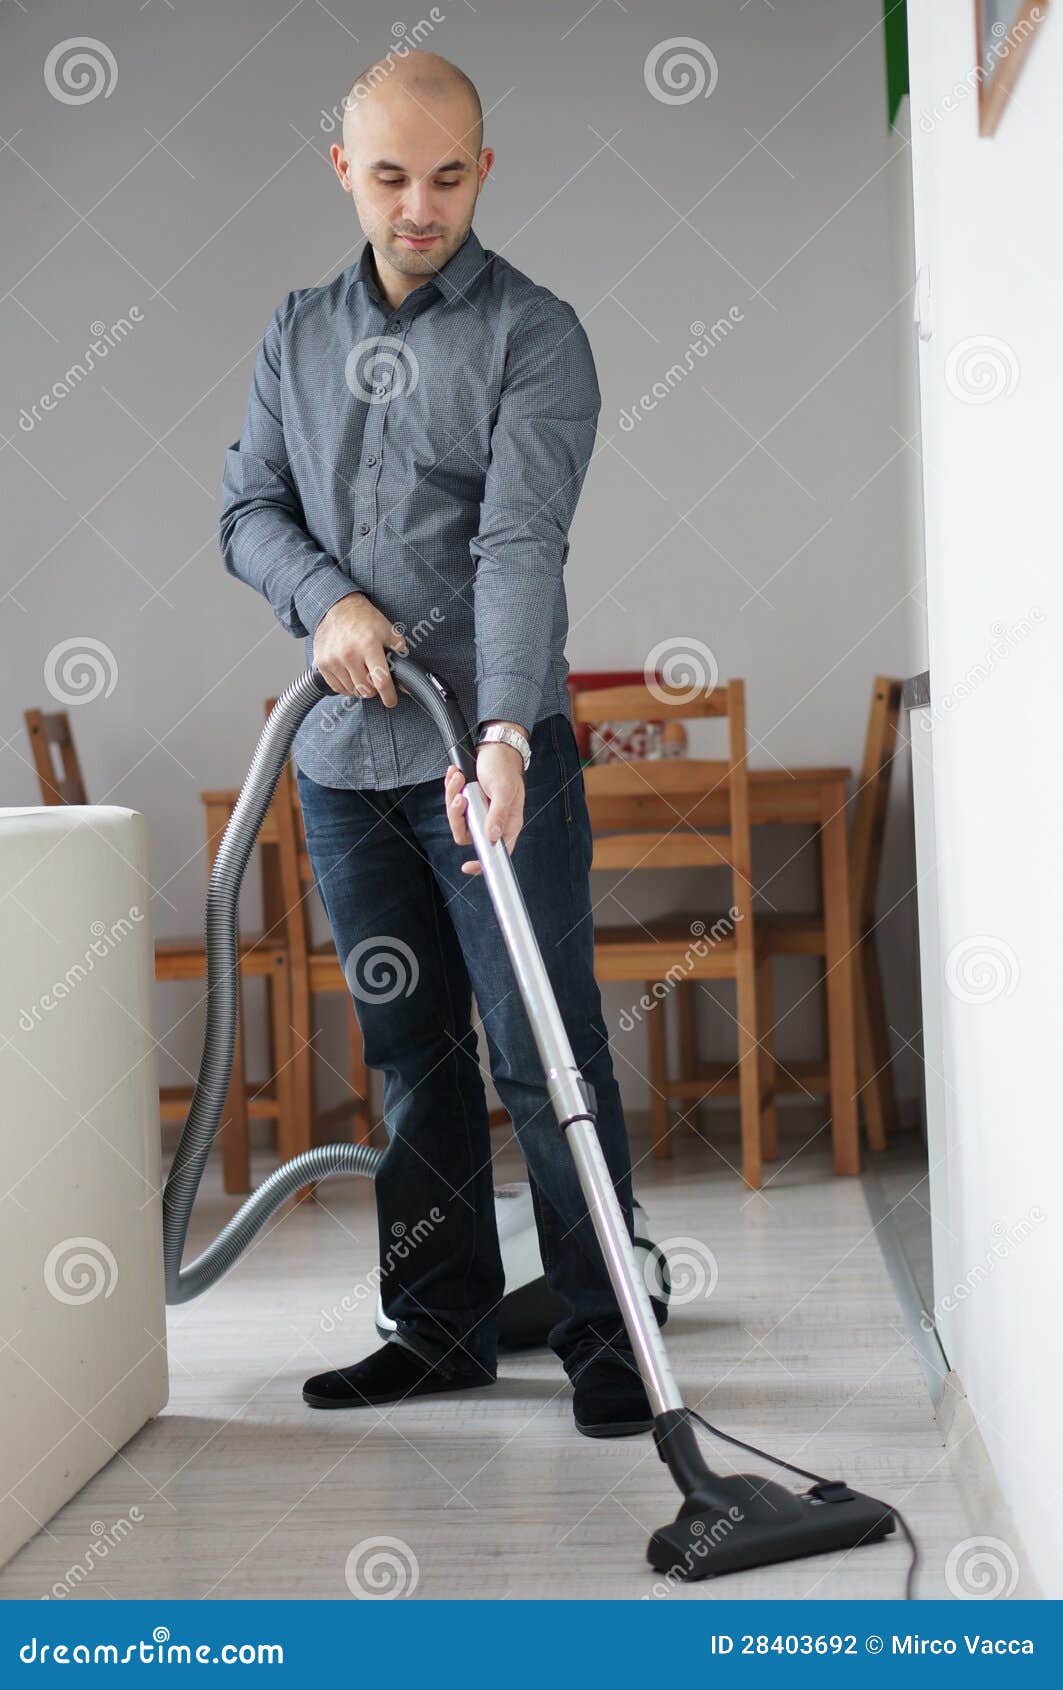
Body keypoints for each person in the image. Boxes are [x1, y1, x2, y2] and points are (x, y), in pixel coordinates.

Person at [219, 49, 664, 1436]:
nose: (420, 206)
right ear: (344, 169)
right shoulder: (294, 333)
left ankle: (608, 1337)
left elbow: (520, 543)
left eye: (449, 175)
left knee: (546, 1046)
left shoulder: (537, 335)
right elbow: (248, 512)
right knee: (411, 1052)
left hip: (490, 762)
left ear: (486, 170)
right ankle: (440, 1327)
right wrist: (326, 597)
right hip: (345, 770)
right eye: (393, 174)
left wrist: (508, 743)